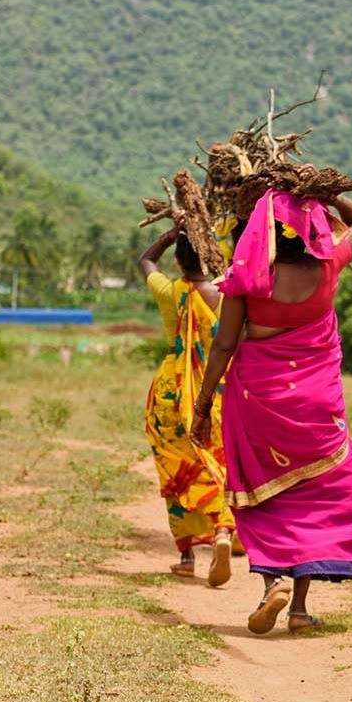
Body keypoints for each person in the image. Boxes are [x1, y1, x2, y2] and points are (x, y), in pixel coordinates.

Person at [191, 189, 352, 635]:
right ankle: (300, 609)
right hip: (316, 405)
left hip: (258, 401)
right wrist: (329, 193)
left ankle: (273, 583)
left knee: (265, 493)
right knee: (316, 497)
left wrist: (201, 407)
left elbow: (224, 346)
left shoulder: (247, 279)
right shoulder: (328, 267)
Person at [139, 227, 234, 587]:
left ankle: (187, 554)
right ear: (210, 257)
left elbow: (146, 260)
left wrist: (171, 233)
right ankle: (224, 530)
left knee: (177, 471)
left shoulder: (170, 292)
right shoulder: (227, 293)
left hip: (171, 394)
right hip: (218, 393)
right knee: (220, 464)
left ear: (178, 260)